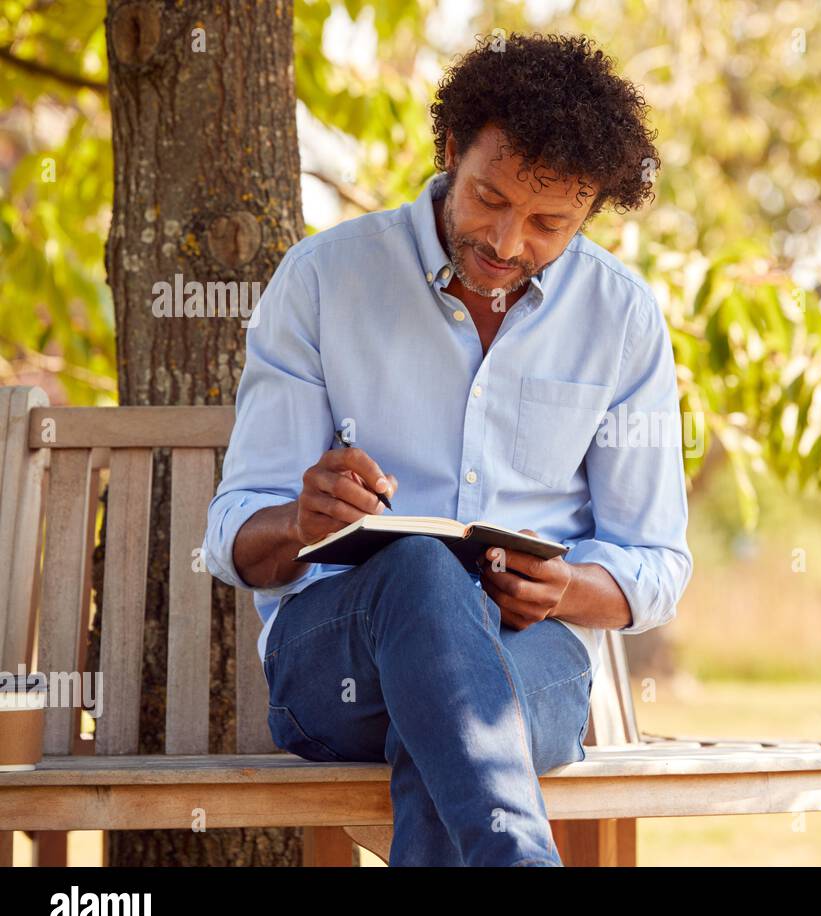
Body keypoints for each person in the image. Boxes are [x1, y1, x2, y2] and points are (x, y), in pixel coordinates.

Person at [202, 33, 692, 866]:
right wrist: (298, 519)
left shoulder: (620, 318)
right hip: (335, 663)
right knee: (422, 572)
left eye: (548, 223)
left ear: (591, 210)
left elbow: (656, 563)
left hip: (532, 658)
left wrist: (567, 584)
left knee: (444, 723)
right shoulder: (325, 281)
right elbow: (231, 538)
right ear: (451, 151)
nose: (506, 241)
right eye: (488, 198)